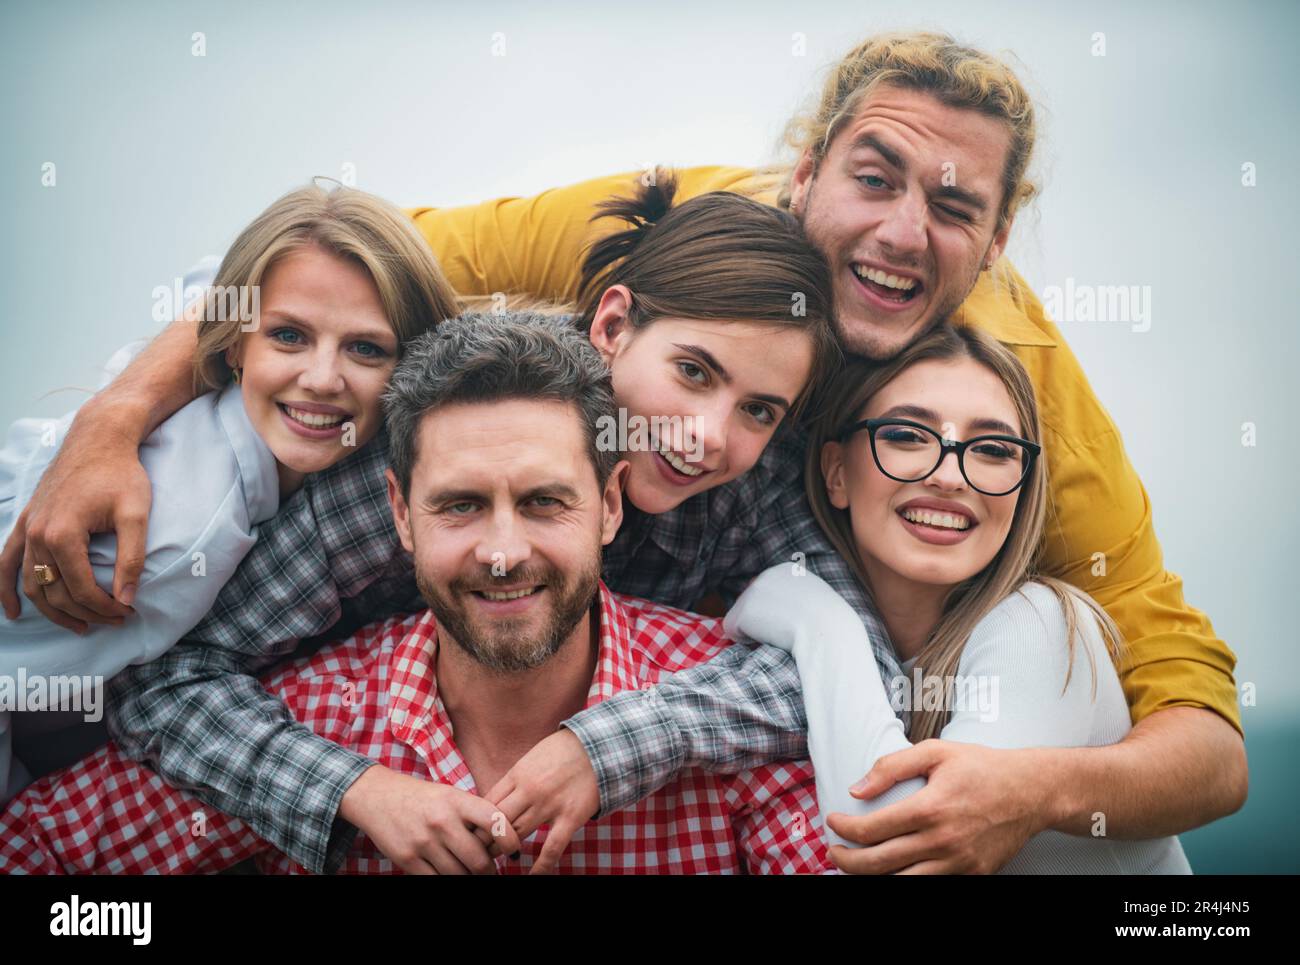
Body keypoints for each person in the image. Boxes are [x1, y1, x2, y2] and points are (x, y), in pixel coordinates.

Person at [1, 30, 1245, 874]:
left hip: (676, 703)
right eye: (874, 176)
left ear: (998, 239)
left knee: (1045, 643)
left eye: (957, 206)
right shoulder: (613, 258)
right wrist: (112, 421)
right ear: (803, 171)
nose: (904, 231)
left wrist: (1024, 796)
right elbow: (339, 258)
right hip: (261, 691)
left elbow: (1199, 718)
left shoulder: (993, 397)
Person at [0, 312, 831, 875]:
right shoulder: (314, 716)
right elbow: (39, 851)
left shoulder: (728, 712)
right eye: (462, 505)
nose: (504, 554)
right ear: (398, 513)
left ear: (610, 503)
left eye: (544, 502)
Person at [0, 182, 460, 804]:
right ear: (234, 341)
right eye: (289, 337)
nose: (322, 379)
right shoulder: (180, 540)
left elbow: (215, 278)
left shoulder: (260, 309)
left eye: (365, 348)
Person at [687, 323, 1191, 872]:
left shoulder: (1038, 626)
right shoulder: (853, 658)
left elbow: (895, 843)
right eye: (906, 436)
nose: (951, 476)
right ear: (837, 472)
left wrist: (820, 623)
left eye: (993, 449)